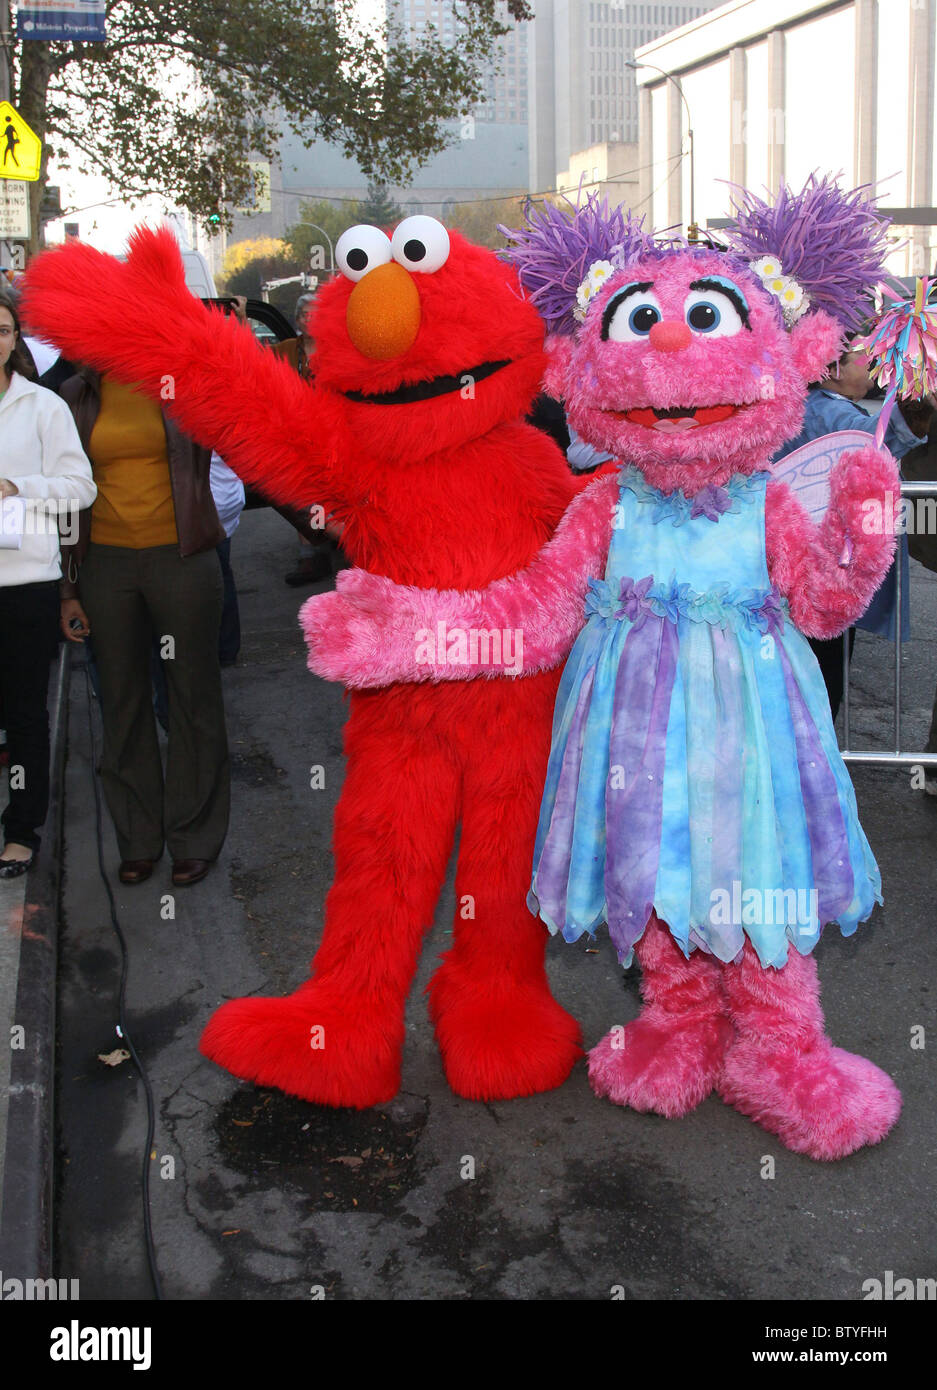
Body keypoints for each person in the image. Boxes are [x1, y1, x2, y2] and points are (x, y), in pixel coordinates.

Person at [58, 364, 230, 887]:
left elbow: (247, 438)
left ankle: (194, 837)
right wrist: (67, 587)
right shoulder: (76, 392)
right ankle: (137, 838)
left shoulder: (187, 380)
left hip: (182, 558)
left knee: (192, 697)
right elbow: (66, 495)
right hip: (104, 565)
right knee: (120, 697)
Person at [774, 336, 933, 718]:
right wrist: (915, 401)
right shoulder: (825, 412)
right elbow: (874, 442)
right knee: (824, 673)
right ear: (833, 370)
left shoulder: (806, 407)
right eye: (864, 357)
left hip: (800, 564)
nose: (871, 364)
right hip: (825, 567)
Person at [0, 289, 97, 876]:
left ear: (15, 340)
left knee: (25, 714)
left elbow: (80, 488)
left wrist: (19, 487)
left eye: (5, 329)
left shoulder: (43, 407)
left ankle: (21, 830)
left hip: (25, 585)